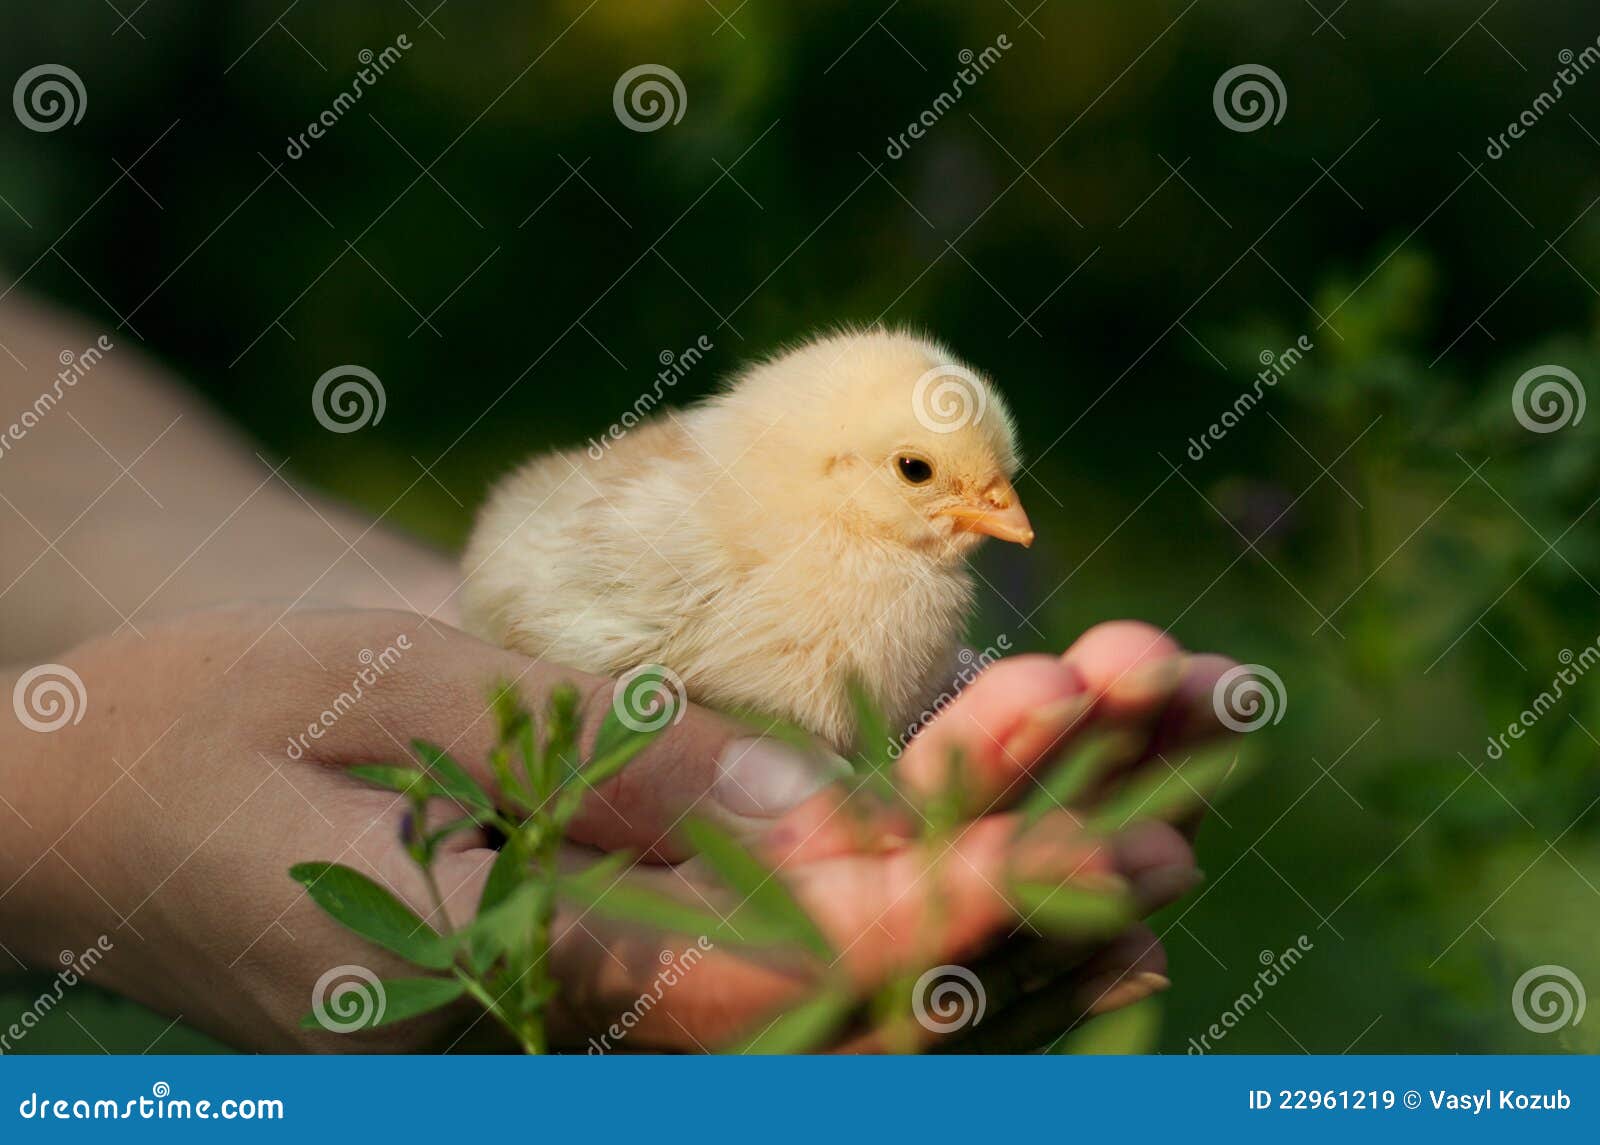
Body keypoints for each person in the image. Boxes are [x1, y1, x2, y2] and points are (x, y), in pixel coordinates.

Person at [0, 293, 1236, 1052]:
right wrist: (59, 806)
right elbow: (534, 571)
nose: (992, 508)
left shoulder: (885, 572)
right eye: (923, 475)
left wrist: (380, 641)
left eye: (987, 478)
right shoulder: (701, 529)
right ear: (835, 468)